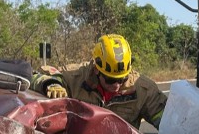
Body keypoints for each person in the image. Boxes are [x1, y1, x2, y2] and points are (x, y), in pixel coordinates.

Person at [33, 34, 167, 128]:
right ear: (96, 69)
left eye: (122, 79)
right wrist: (52, 84)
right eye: (110, 80)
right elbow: (37, 76)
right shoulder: (75, 77)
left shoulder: (144, 90)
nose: (116, 85)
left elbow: (168, 123)